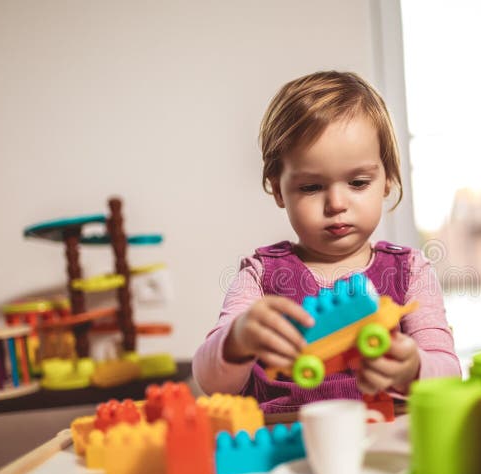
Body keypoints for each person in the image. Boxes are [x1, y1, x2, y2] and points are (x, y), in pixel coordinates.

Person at [192, 71, 459, 413]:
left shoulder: (410, 271)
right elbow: (210, 381)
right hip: (285, 447)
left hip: (386, 444)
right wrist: (237, 340)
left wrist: (414, 369)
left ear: (388, 179)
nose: (336, 204)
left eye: (358, 182)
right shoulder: (260, 275)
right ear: (278, 189)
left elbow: (449, 373)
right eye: (311, 187)